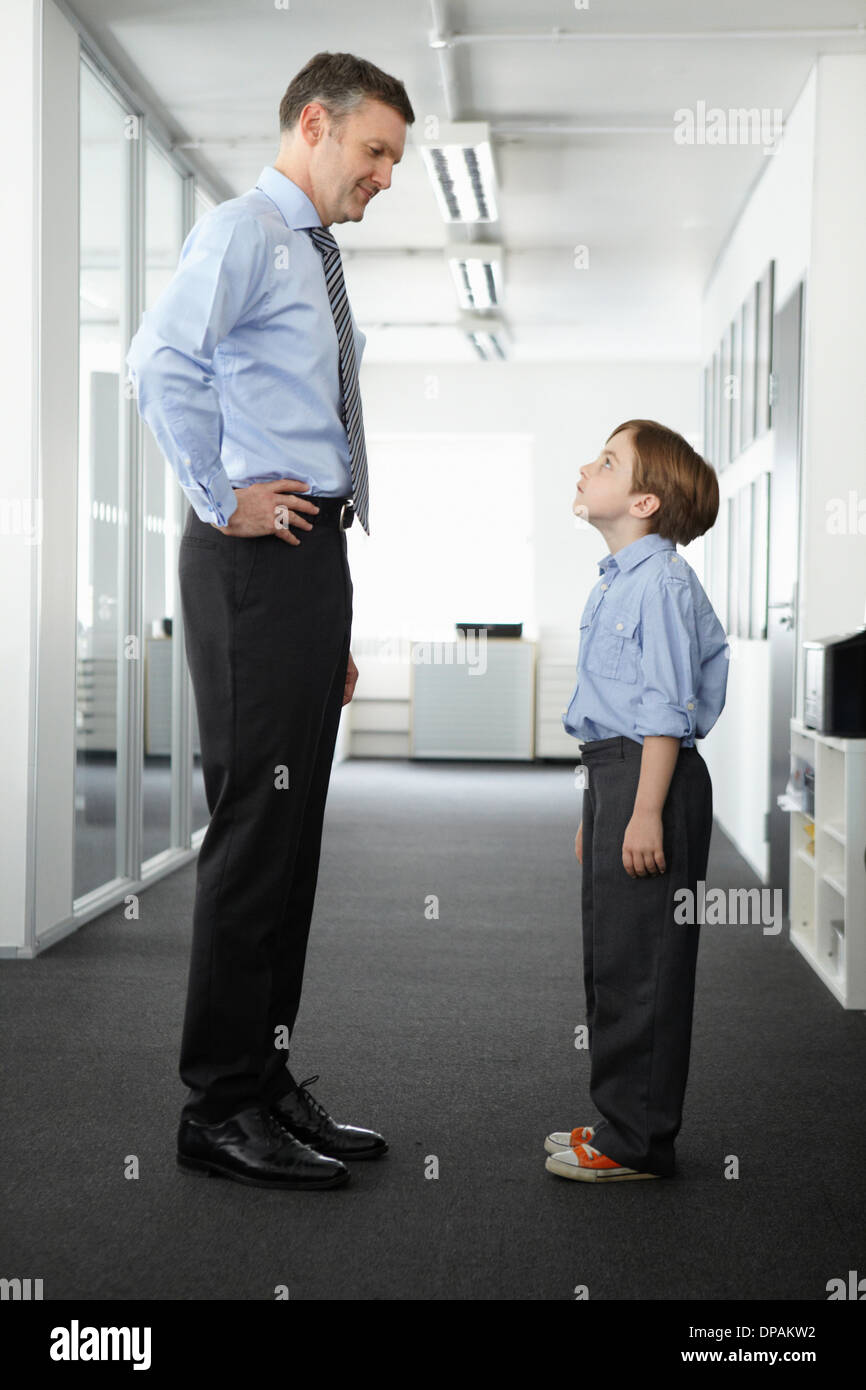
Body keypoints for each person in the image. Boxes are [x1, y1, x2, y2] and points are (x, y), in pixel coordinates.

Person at [125, 52, 415, 1190]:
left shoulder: (309, 253)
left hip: (305, 560)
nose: (385, 175)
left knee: (290, 840)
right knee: (254, 831)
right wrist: (221, 496)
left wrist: (321, 614)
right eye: (375, 150)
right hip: (253, 554)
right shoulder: (247, 230)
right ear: (313, 123)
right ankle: (215, 1104)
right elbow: (158, 361)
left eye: (395, 157)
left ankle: (263, 1072)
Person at [544, 420, 728, 1182]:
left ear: (645, 500)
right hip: (618, 776)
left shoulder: (661, 582)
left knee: (644, 967)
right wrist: (603, 807)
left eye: (608, 461)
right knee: (613, 960)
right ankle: (622, 1119)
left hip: (653, 778)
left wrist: (644, 810)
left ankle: (637, 1143)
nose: (587, 466)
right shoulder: (618, 578)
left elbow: (663, 710)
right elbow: (603, 712)